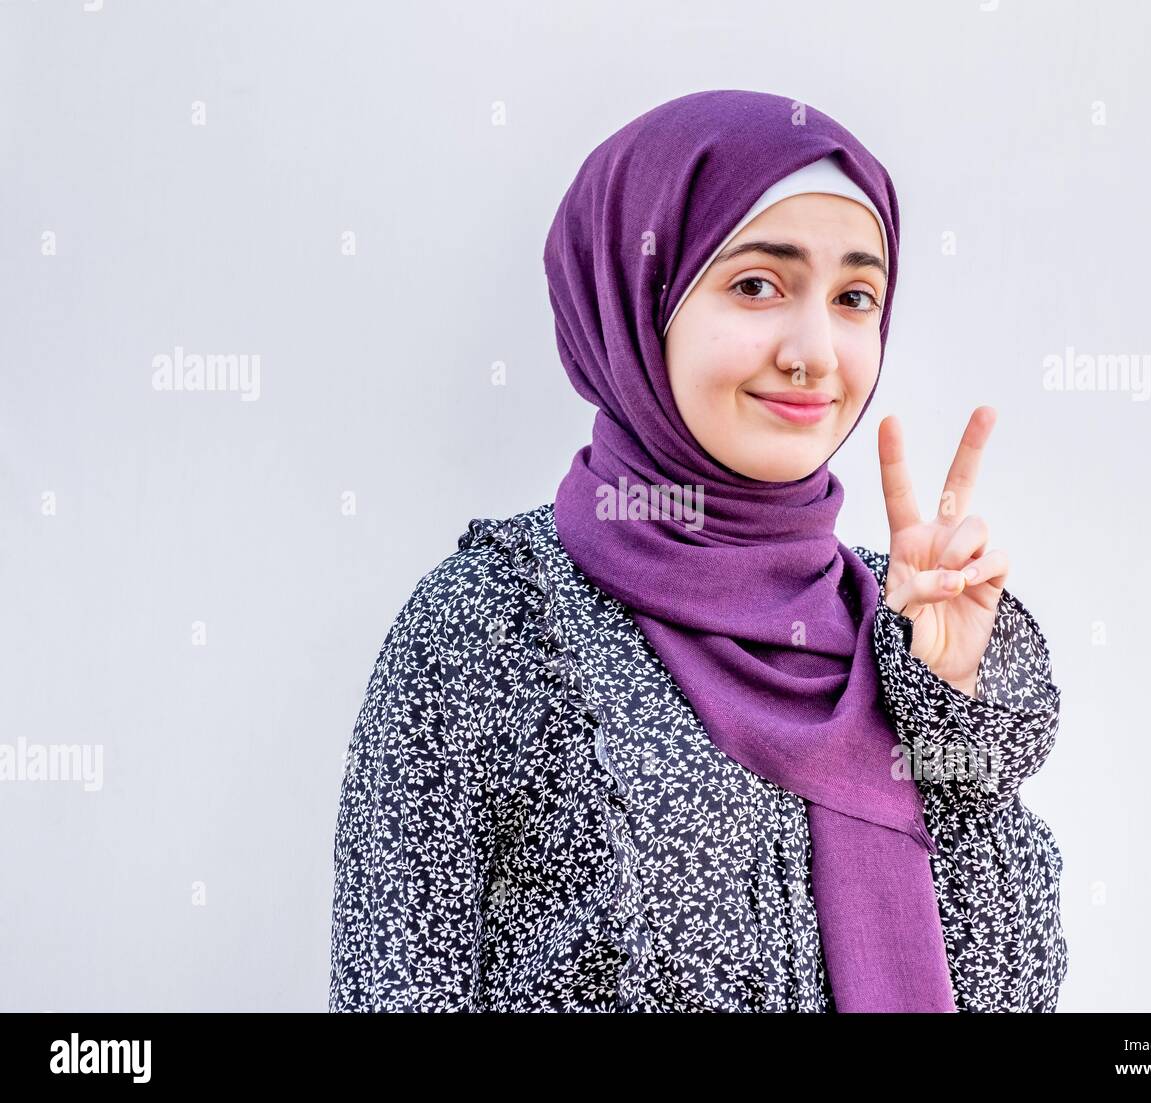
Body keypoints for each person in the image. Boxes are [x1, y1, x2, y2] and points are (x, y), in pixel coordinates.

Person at [328, 88, 1067, 1013]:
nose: (814, 353)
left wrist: (948, 712)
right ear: (637, 302)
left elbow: (1011, 988)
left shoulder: (901, 617)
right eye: (757, 284)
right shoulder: (493, 624)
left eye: (854, 298)